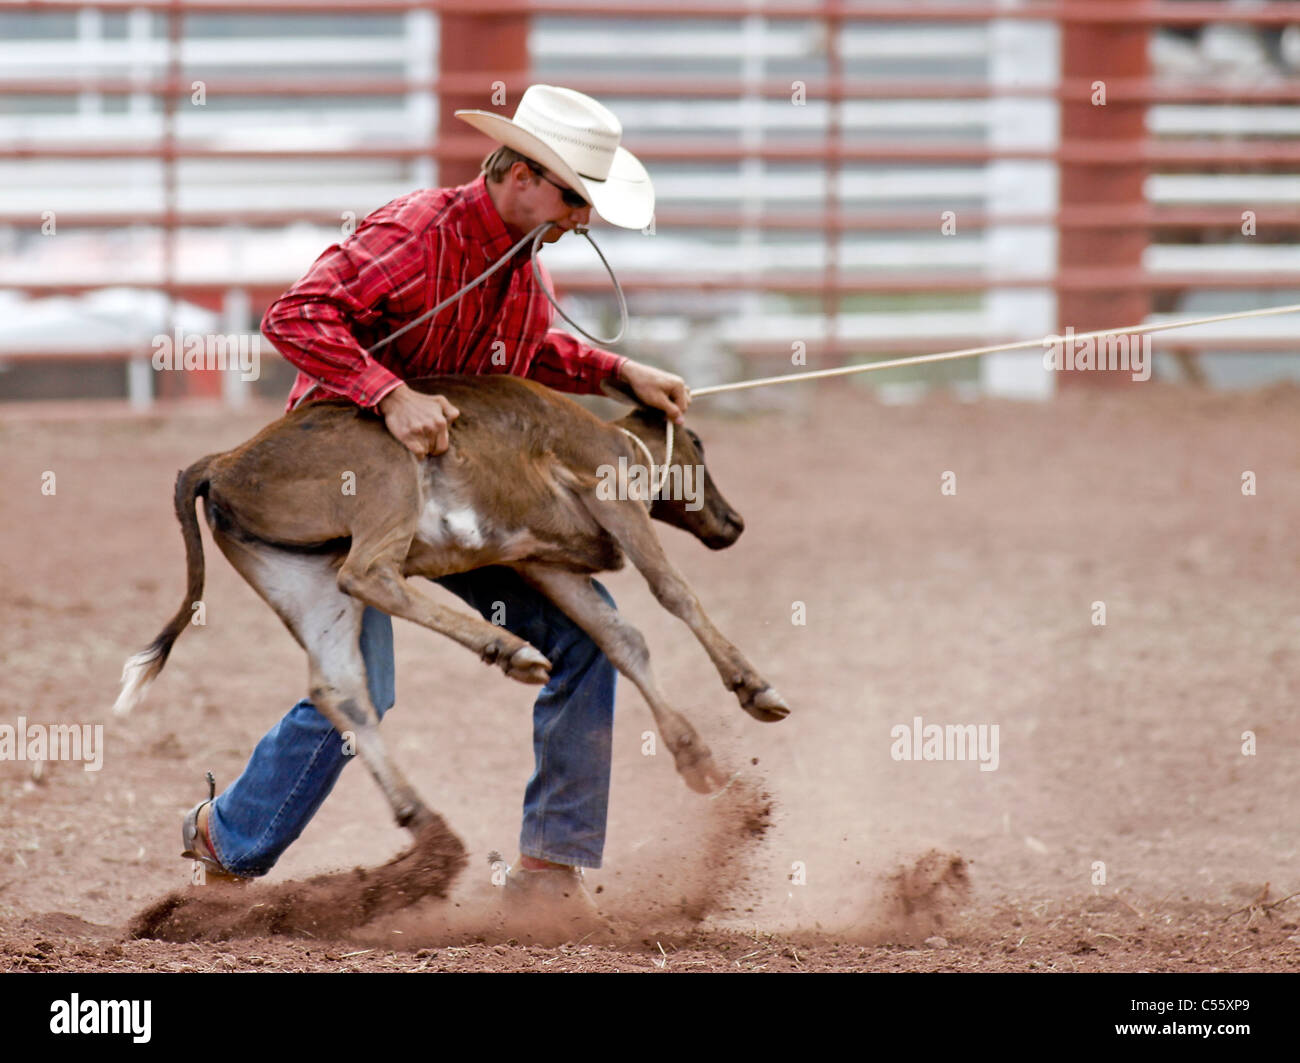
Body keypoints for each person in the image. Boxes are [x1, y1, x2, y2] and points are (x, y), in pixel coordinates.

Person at [180, 85, 690, 928]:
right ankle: (226, 841)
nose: (580, 219)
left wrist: (615, 372)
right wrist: (387, 394)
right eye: (572, 197)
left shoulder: (519, 269)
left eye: (588, 203)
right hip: (343, 492)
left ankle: (547, 872)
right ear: (521, 175)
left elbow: (521, 353)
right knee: (360, 688)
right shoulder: (415, 232)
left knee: (592, 635)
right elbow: (296, 314)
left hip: (450, 496)